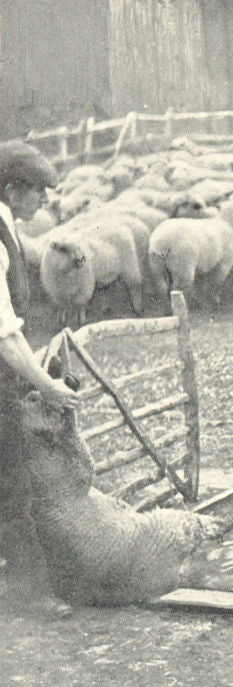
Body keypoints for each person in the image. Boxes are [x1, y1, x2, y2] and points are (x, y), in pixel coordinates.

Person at [0, 140, 80, 582]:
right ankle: (29, 592)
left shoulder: (8, 229)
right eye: (37, 191)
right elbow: (3, 333)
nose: (45, 201)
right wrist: (45, 384)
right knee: (11, 481)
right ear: (12, 190)